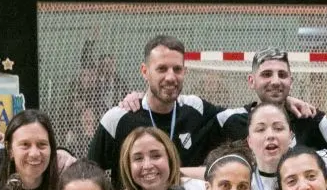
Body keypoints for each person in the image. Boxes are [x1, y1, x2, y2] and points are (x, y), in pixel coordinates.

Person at [87, 35, 226, 182]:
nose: (170, 77)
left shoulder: (197, 111)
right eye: (162, 69)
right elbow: (89, 177)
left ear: (185, 71)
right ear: (145, 71)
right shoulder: (117, 119)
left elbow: (240, 122)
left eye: (177, 69)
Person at [216, 48, 327, 147]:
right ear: (251, 81)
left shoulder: (309, 119)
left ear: (291, 82)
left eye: (282, 75)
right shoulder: (231, 120)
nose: (275, 82)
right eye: (267, 74)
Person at [116, 126, 184, 190]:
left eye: (156, 156)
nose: (147, 166)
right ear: (127, 166)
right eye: (138, 158)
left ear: (170, 158)